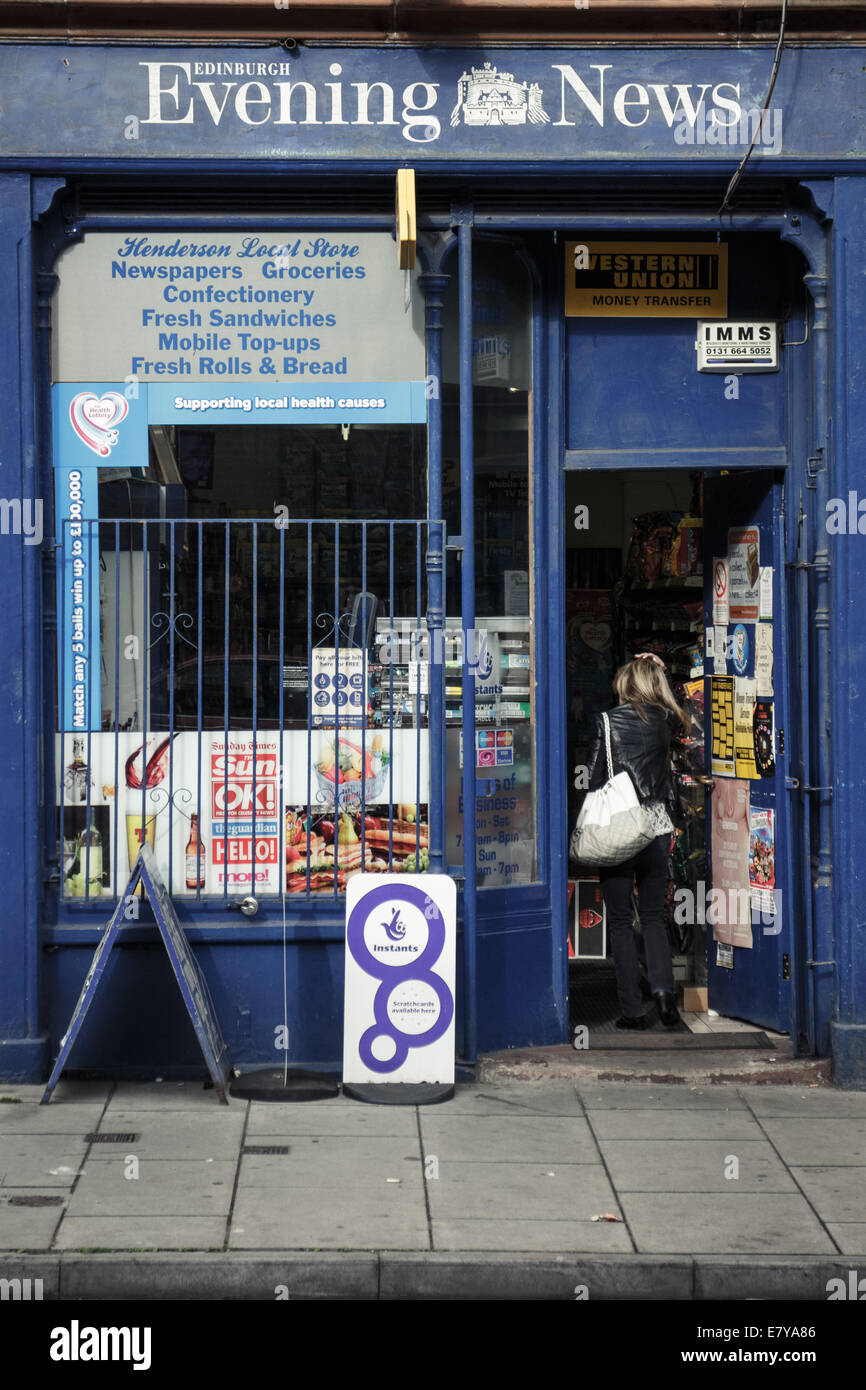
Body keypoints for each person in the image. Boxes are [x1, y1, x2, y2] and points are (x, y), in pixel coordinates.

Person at [584, 653, 691, 1030]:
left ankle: (632, 1011)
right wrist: (662, 666)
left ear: (625, 683)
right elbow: (684, 705)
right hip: (658, 826)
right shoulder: (667, 722)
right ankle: (665, 997)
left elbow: (594, 778)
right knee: (653, 918)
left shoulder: (607, 721)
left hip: (619, 827)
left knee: (618, 920)